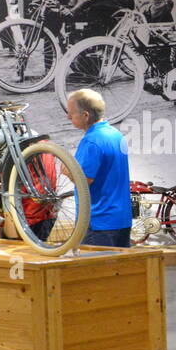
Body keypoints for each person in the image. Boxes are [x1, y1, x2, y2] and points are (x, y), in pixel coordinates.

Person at [66, 88, 132, 248]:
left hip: (99, 221)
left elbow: (85, 180)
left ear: (85, 115)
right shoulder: (115, 134)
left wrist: (67, 171)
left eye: (71, 113)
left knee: (94, 271)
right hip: (121, 218)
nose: (68, 117)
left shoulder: (91, 141)